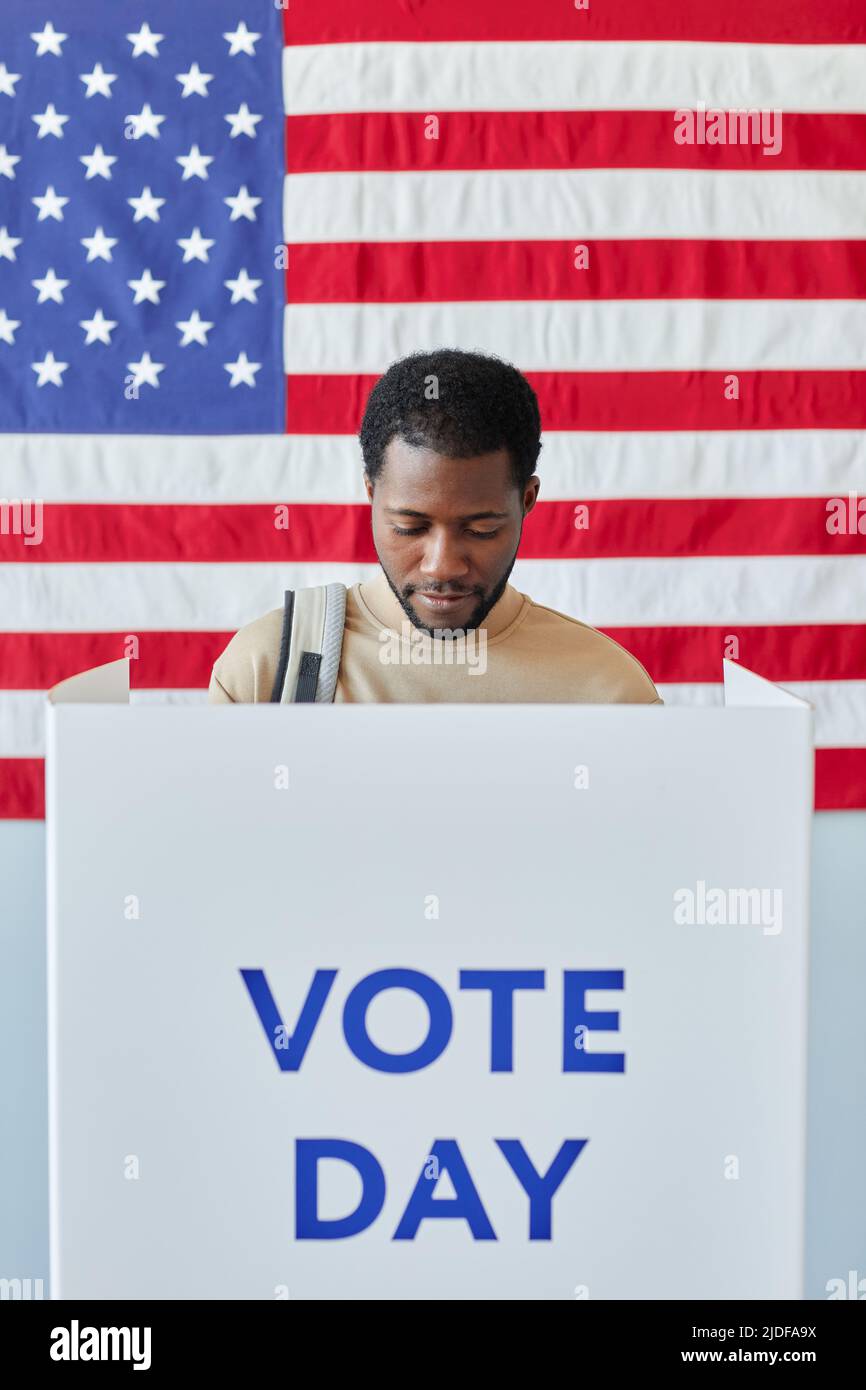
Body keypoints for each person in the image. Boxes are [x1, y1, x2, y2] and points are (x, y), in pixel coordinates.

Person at [208, 348, 662, 706]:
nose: (442, 566)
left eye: (481, 529)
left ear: (527, 501)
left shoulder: (609, 691)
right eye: (409, 527)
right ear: (371, 494)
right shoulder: (266, 668)